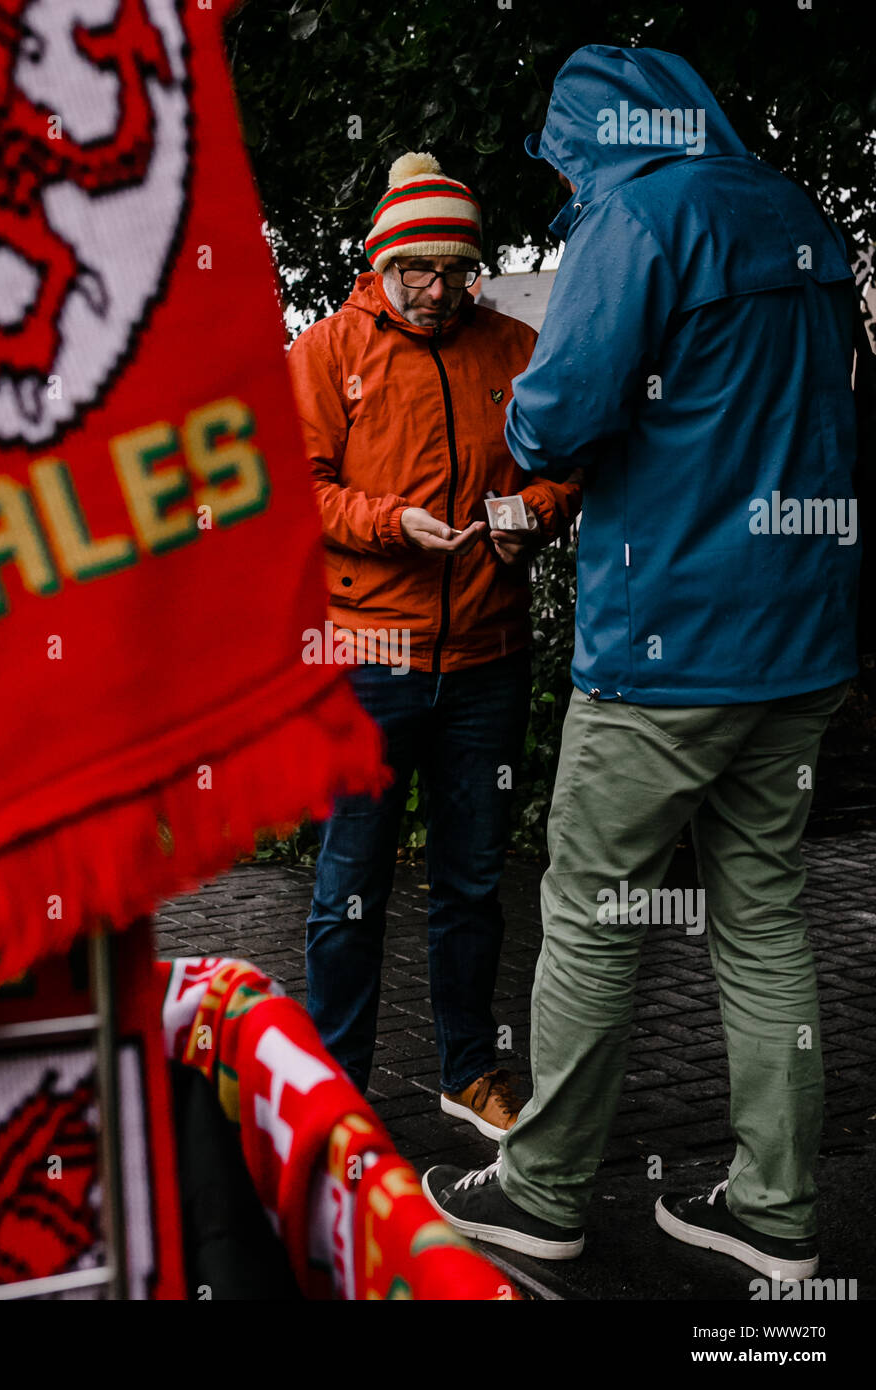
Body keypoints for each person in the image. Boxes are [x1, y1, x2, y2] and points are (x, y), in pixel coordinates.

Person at [423, 46, 861, 1279]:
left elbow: (555, 417)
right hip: (802, 641)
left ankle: (541, 1192)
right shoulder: (796, 215)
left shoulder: (636, 216)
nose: (564, 175)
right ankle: (774, 1211)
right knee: (764, 918)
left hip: (668, 650)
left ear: (594, 132)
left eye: (565, 151)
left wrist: (522, 414)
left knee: (594, 916)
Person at [287, 151, 582, 1139]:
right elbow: (303, 488)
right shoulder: (326, 353)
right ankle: (337, 1090)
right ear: (382, 261)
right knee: (348, 887)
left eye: (458, 269)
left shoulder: (517, 347)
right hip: (370, 662)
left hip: (488, 663)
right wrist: (387, 523)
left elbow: (572, 460)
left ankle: (468, 1072)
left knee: (471, 882)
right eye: (419, 268)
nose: (440, 289)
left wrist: (529, 516)